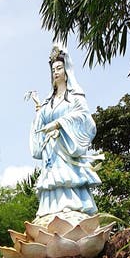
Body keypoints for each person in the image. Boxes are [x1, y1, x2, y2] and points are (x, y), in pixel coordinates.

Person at [30, 46, 102, 219]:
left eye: (59, 68)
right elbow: (41, 121)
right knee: (52, 177)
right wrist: (39, 108)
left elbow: (84, 117)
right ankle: (50, 209)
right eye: (53, 69)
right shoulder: (50, 100)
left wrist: (59, 123)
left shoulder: (75, 96)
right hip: (51, 149)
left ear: (66, 69)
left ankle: (71, 205)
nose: (56, 72)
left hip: (66, 144)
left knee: (67, 175)